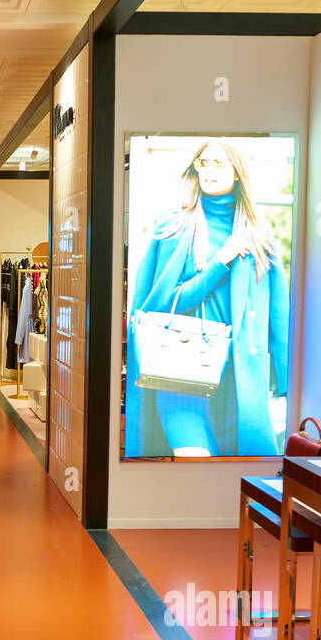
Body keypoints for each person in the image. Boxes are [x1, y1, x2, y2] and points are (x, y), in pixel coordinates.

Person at [125, 139, 288, 457]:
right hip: (182, 372)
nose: (210, 171)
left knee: (240, 479)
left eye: (219, 163)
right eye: (204, 163)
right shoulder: (173, 225)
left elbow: (279, 315)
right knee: (194, 462)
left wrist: (285, 383)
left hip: (240, 380)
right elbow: (155, 307)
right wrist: (219, 263)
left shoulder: (259, 234)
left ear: (237, 173)